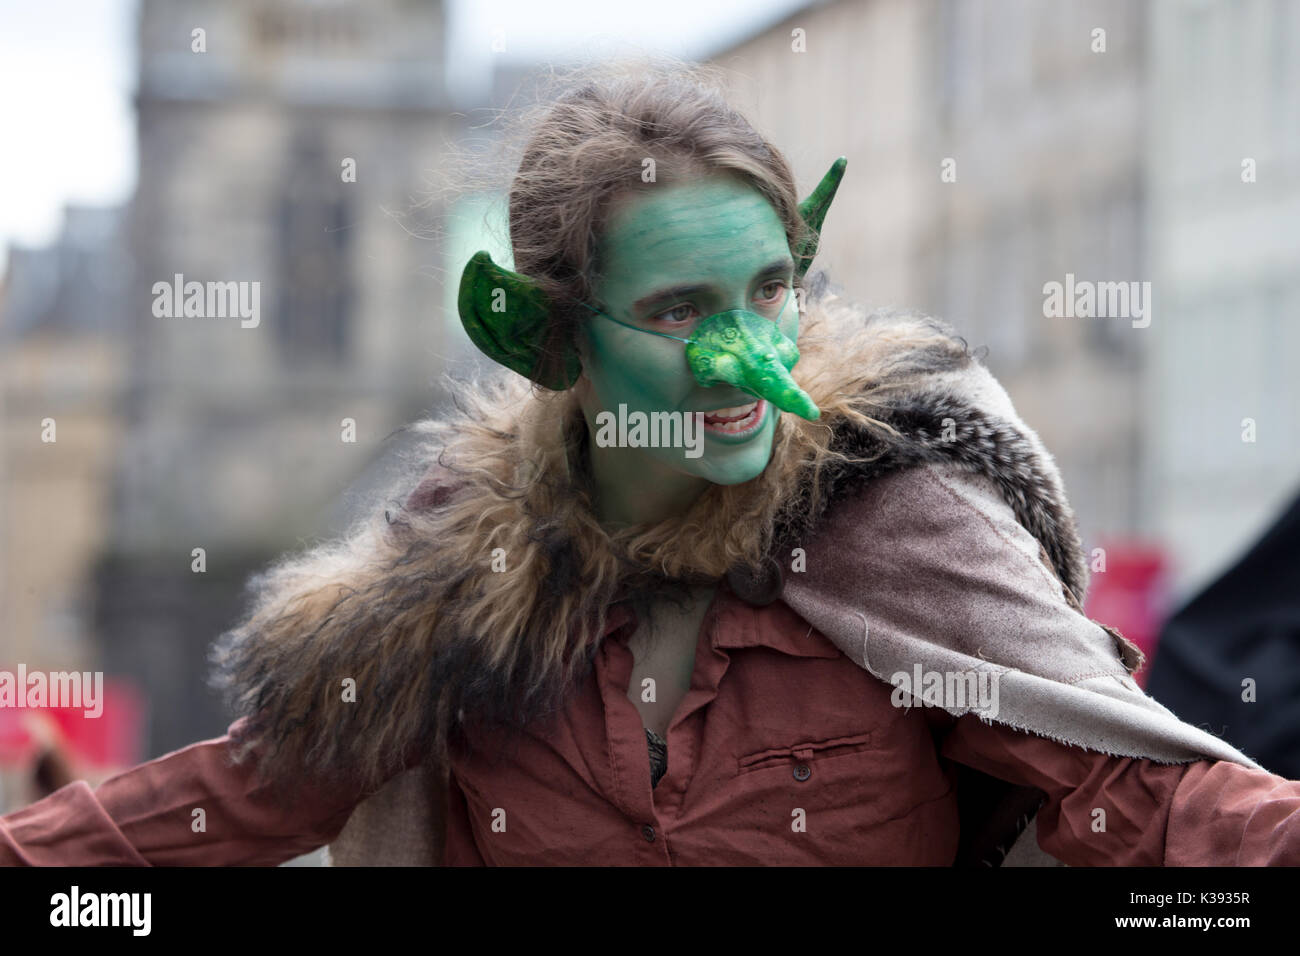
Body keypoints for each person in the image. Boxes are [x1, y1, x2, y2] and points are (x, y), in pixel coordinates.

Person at [3, 60, 1300, 867]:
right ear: (555, 338)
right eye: (680, 312)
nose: (745, 356)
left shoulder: (905, 527)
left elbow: (1139, 805)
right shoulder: (464, 576)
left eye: (771, 289)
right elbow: (247, 796)